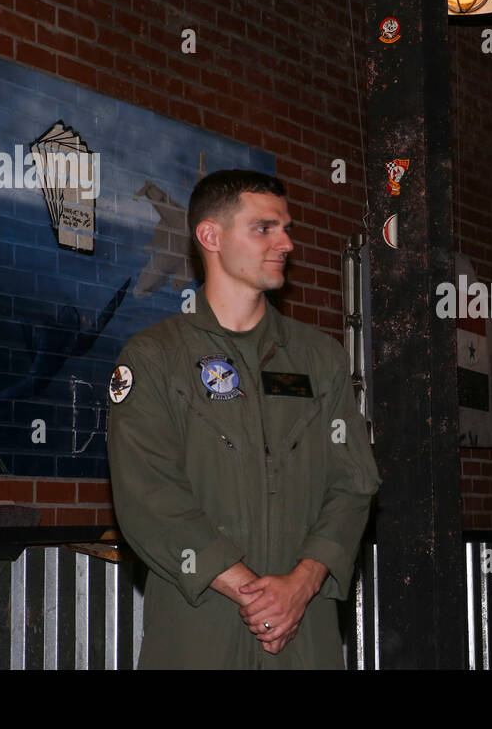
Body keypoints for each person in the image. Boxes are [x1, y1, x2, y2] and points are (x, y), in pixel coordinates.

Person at [107, 169, 379, 669]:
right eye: (265, 228)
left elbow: (354, 482)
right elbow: (149, 496)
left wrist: (301, 585)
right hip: (200, 631)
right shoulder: (155, 358)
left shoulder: (319, 359)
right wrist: (251, 592)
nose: (286, 243)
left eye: (286, 228)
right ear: (210, 236)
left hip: (306, 634)